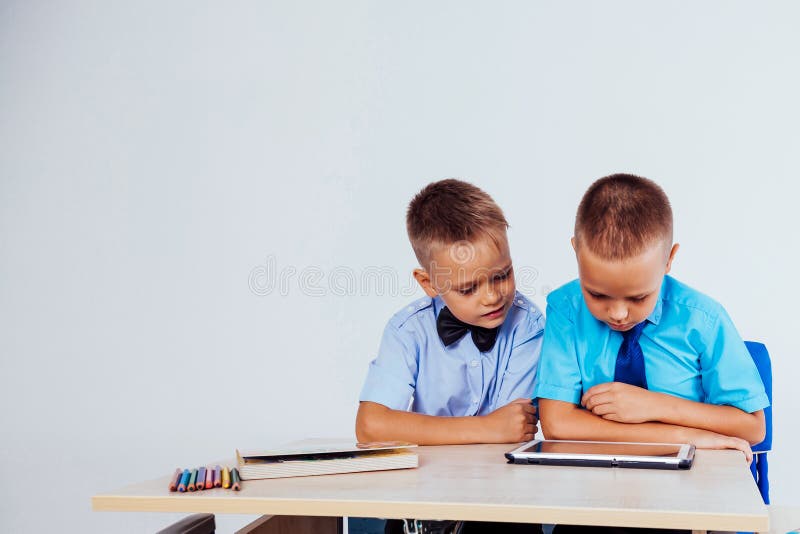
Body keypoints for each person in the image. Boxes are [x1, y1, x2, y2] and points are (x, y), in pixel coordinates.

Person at [535, 173, 769, 534]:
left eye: (638, 297)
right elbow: (557, 425)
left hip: (687, 501)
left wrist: (652, 406)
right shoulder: (565, 309)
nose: (617, 313)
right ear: (576, 253)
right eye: (597, 295)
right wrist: (683, 436)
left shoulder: (703, 319)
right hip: (592, 499)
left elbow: (751, 426)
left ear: (669, 260)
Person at [356, 178, 545, 534]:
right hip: (424, 501)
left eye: (502, 275)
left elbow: (513, 430)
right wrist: (486, 427)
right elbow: (370, 427)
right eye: (468, 287)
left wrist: (490, 431)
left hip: (502, 507)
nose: (492, 297)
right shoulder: (407, 331)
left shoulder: (528, 325)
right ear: (429, 284)